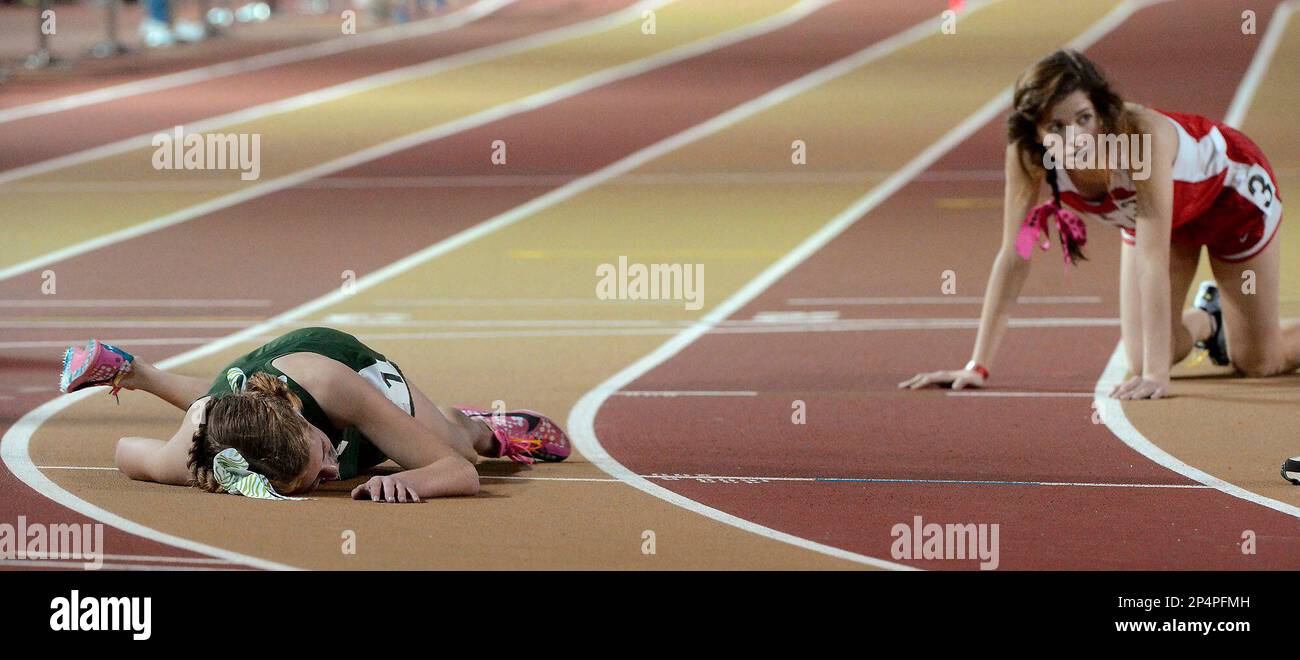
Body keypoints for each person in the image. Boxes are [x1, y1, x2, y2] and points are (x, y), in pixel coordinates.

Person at [900, 49, 1296, 401]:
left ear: (1101, 111)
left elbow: (1150, 262)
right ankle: (1212, 321)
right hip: (1162, 217)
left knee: (1259, 361)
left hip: (1232, 199)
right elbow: (1016, 253)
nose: (1074, 138)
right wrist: (977, 366)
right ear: (1034, 132)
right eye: (1055, 127)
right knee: (1140, 354)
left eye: (1083, 118)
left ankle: (1241, 335)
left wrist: (1158, 377)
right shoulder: (1029, 157)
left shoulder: (1139, 138)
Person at [59, 327, 570, 502]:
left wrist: (412, 481)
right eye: (311, 479)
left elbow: (458, 475)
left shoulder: (333, 386)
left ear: (306, 423)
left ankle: (482, 425)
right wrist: (200, 477)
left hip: (341, 365)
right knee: (212, 399)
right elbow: (128, 453)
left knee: (456, 449)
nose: (331, 474)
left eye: (323, 456)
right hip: (242, 396)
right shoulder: (203, 449)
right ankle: (134, 371)